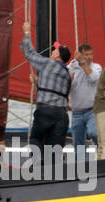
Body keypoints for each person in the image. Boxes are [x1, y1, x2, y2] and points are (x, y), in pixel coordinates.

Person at [19, 21, 72, 167]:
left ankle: (36, 166)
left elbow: (29, 53)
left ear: (57, 56)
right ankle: (53, 176)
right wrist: (38, 82)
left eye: (55, 50)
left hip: (45, 111)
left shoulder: (48, 64)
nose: (52, 51)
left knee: (36, 137)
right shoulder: (67, 74)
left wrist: (27, 33)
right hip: (61, 114)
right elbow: (56, 91)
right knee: (55, 148)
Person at [68, 43, 101, 157]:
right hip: (76, 112)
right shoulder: (71, 67)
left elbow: (95, 78)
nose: (89, 57)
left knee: (94, 133)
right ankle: (82, 168)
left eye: (91, 54)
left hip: (92, 110)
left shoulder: (96, 67)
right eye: (86, 55)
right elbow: (64, 86)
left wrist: (83, 63)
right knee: (78, 144)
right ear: (80, 55)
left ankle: (102, 151)